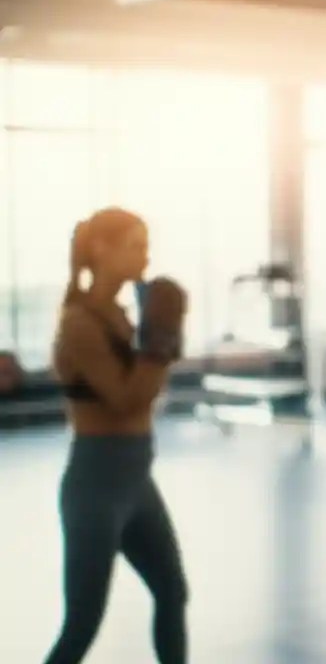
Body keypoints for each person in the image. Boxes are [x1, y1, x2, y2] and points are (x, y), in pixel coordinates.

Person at [45, 208, 189, 664]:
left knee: (172, 592)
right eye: (136, 245)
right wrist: (160, 340)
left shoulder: (122, 316)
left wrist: (160, 336)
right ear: (102, 249)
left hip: (136, 481)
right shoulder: (79, 322)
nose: (146, 255)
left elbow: (148, 392)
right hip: (96, 489)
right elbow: (128, 400)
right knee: (82, 624)